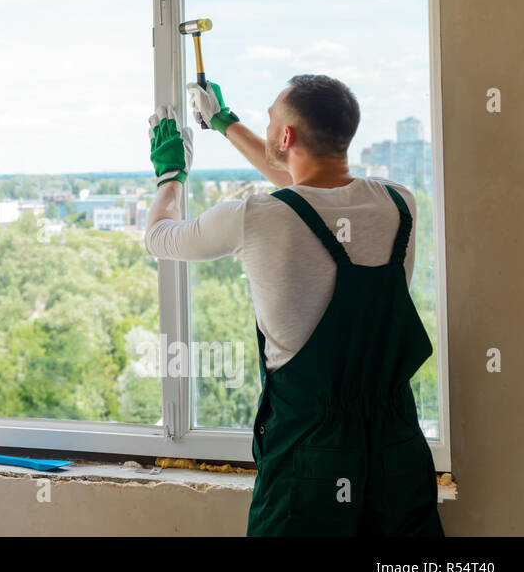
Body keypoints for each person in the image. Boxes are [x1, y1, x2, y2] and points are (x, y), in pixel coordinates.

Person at [143, 73, 443, 536]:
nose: (266, 130)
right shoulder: (398, 203)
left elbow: (160, 238)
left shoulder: (256, 217)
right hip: (397, 450)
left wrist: (170, 176)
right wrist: (225, 123)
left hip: (310, 459)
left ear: (286, 136)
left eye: (270, 122)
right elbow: (310, 189)